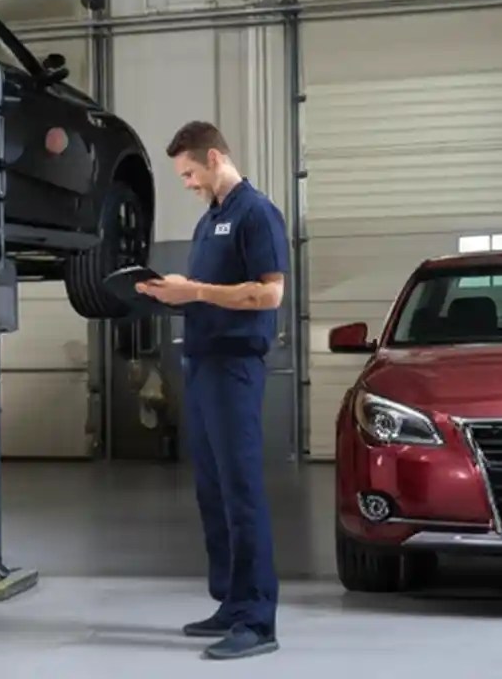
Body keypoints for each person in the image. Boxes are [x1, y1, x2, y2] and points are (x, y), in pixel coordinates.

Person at [136, 120, 289, 661]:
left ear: (216, 158)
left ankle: (257, 619)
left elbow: (270, 297)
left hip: (234, 368)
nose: (188, 183)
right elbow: (206, 295)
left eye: (190, 172)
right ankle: (230, 601)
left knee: (242, 492)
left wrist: (194, 289)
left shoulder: (256, 213)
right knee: (213, 493)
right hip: (200, 365)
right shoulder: (210, 222)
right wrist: (167, 294)